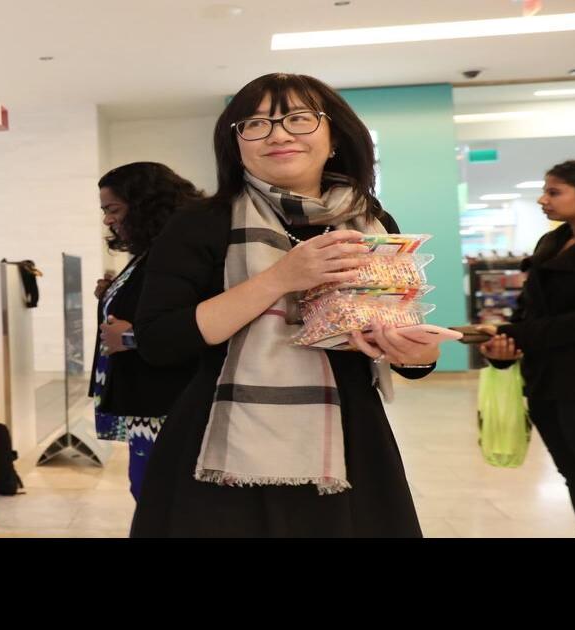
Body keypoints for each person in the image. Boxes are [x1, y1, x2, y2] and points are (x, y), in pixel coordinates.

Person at [130, 73, 440, 537]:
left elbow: (393, 336)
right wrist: (280, 278)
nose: (278, 133)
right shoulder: (200, 223)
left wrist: (417, 354)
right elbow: (160, 340)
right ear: (236, 145)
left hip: (349, 436)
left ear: (334, 136)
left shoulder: (371, 220)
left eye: (298, 118)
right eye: (255, 124)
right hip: (223, 442)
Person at [88, 162, 204, 499]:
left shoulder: (180, 252)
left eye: (114, 209)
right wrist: (114, 294)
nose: (108, 220)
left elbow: (204, 323)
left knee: (159, 496)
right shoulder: (153, 251)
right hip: (150, 402)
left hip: (169, 403)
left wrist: (130, 337)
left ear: (144, 205)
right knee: (148, 491)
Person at [480, 159, 575, 530]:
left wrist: (521, 334)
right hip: (546, 384)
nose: (542, 199)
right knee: (572, 472)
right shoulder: (551, 243)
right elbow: (529, 310)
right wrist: (504, 345)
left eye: (554, 192)